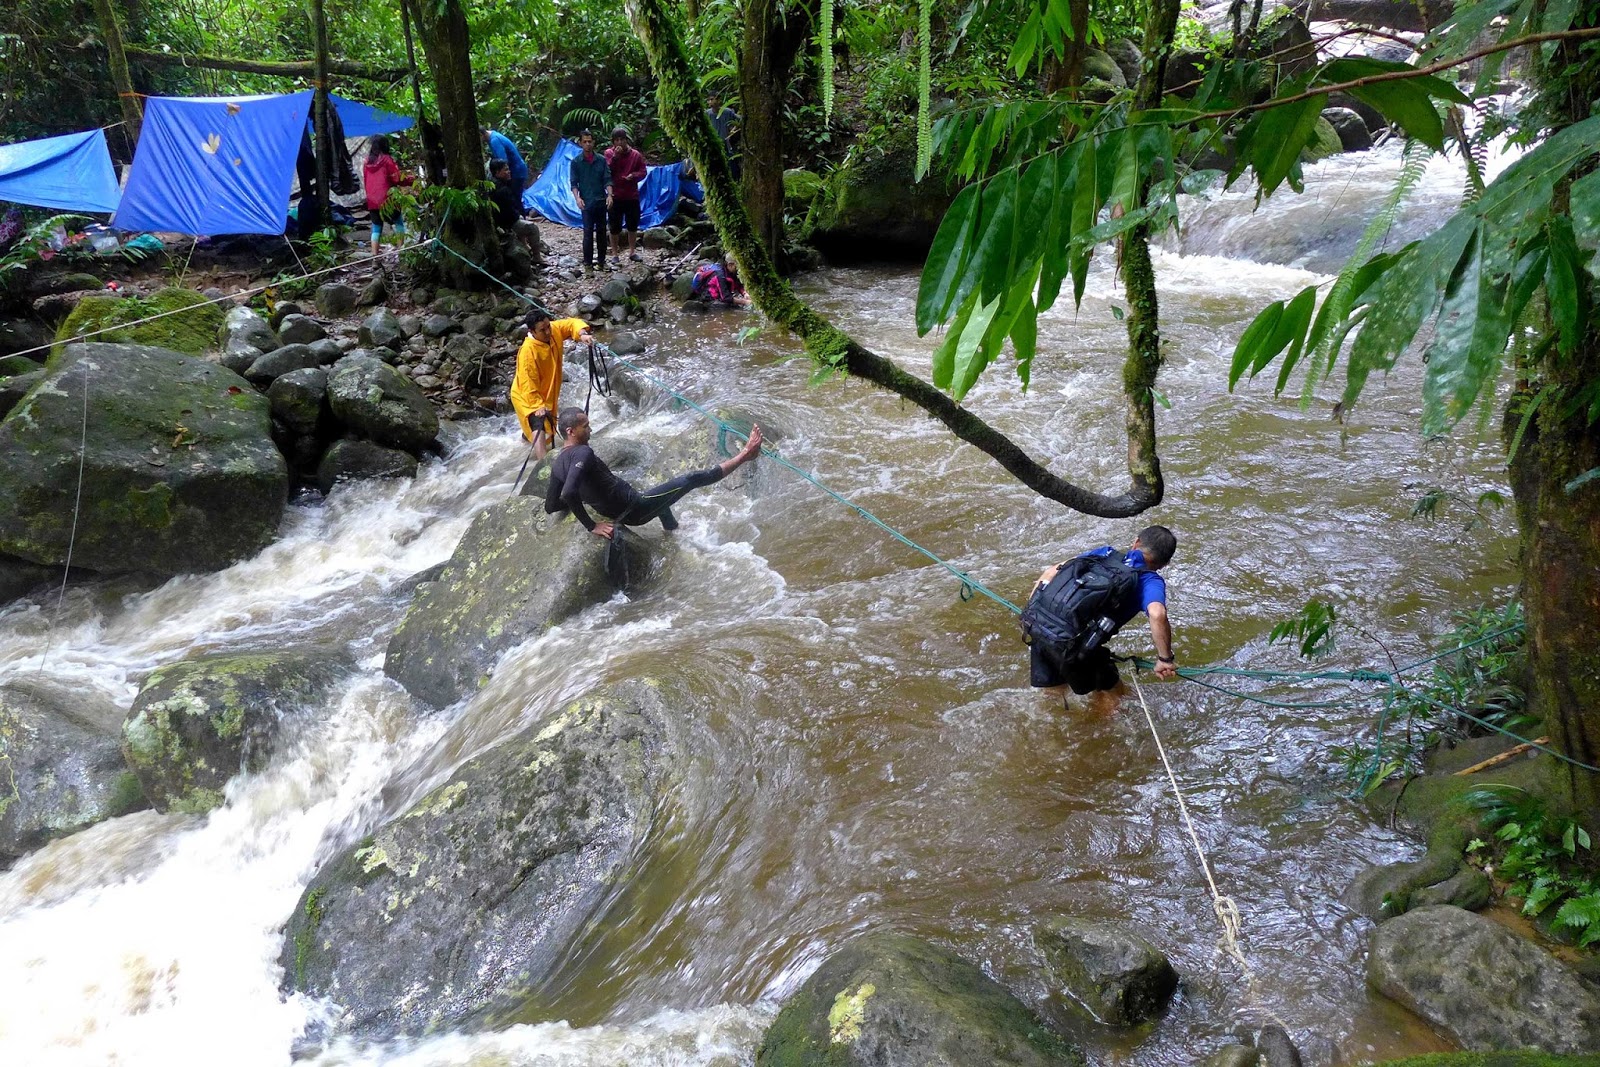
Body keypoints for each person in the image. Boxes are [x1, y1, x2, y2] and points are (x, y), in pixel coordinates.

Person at [1025, 526, 1178, 712]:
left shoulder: (1105, 553)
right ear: (1164, 564)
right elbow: (1157, 614)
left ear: (1136, 542)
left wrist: (1030, 614)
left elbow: (1051, 572)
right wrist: (1165, 659)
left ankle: (1051, 734)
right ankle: (1098, 735)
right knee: (1113, 693)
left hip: (1038, 627)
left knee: (1053, 697)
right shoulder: (1149, 581)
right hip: (1074, 648)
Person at [545, 407, 762, 538]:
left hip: (623, 508)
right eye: (586, 426)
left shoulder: (557, 464)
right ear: (570, 431)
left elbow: (551, 506)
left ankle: (673, 532)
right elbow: (569, 493)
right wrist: (591, 525)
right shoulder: (582, 453)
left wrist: (589, 499)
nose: (590, 429)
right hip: (635, 509)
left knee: (660, 497)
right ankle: (745, 455)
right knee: (691, 479)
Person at [510, 314, 593, 459]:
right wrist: (537, 406)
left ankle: (523, 444)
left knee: (543, 425)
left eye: (548, 326)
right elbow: (528, 384)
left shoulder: (553, 330)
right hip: (526, 394)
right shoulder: (528, 352)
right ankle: (543, 463)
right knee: (538, 421)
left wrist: (582, 334)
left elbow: (571, 324)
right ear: (532, 331)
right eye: (543, 330)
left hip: (547, 390)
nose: (548, 331)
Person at [569, 129, 612, 274]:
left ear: (593, 142)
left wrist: (610, 195)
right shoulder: (576, 162)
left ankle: (601, 262)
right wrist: (577, 198)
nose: (587, 144)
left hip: (600, 201)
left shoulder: (601, 160)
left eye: (590, 141)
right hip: (586, 203)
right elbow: (574, 183)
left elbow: (607, 179)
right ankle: (588, 265)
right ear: (580, 143)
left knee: (601, 232)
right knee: (587, 234)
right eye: (585, 142)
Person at [362, 134, 413, 256]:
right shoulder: (387, 160)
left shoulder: (366, 162)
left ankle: (375, 257)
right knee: (398, 223)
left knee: (376, 227)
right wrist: (410, 179)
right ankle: (401, 252)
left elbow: (365, 181)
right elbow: (396, 178)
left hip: (372, 200)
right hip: (388, 198)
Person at [604, 126, 648, 262]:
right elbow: (607, 171)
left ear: (626, 140)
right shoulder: (609, 153)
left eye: (621, 139)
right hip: (615, 195)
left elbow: (643, 171)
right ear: (613, 142)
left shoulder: (635, 155)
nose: (619, 143)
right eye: (616, 140)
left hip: (631, 195)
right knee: (614, 227)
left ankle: (632, 251)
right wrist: (616, 157)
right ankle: (615, 254)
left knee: (632, 225)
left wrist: (633, 176)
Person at [706, 91, 741, 176]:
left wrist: (734, 129)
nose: (710, 102)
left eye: (712, 99)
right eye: (708, 100)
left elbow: (740, 120)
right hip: (714, 146)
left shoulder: (727, 112)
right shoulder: (707, 114)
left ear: (718, 100)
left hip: (727, 144)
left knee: (732, 168)